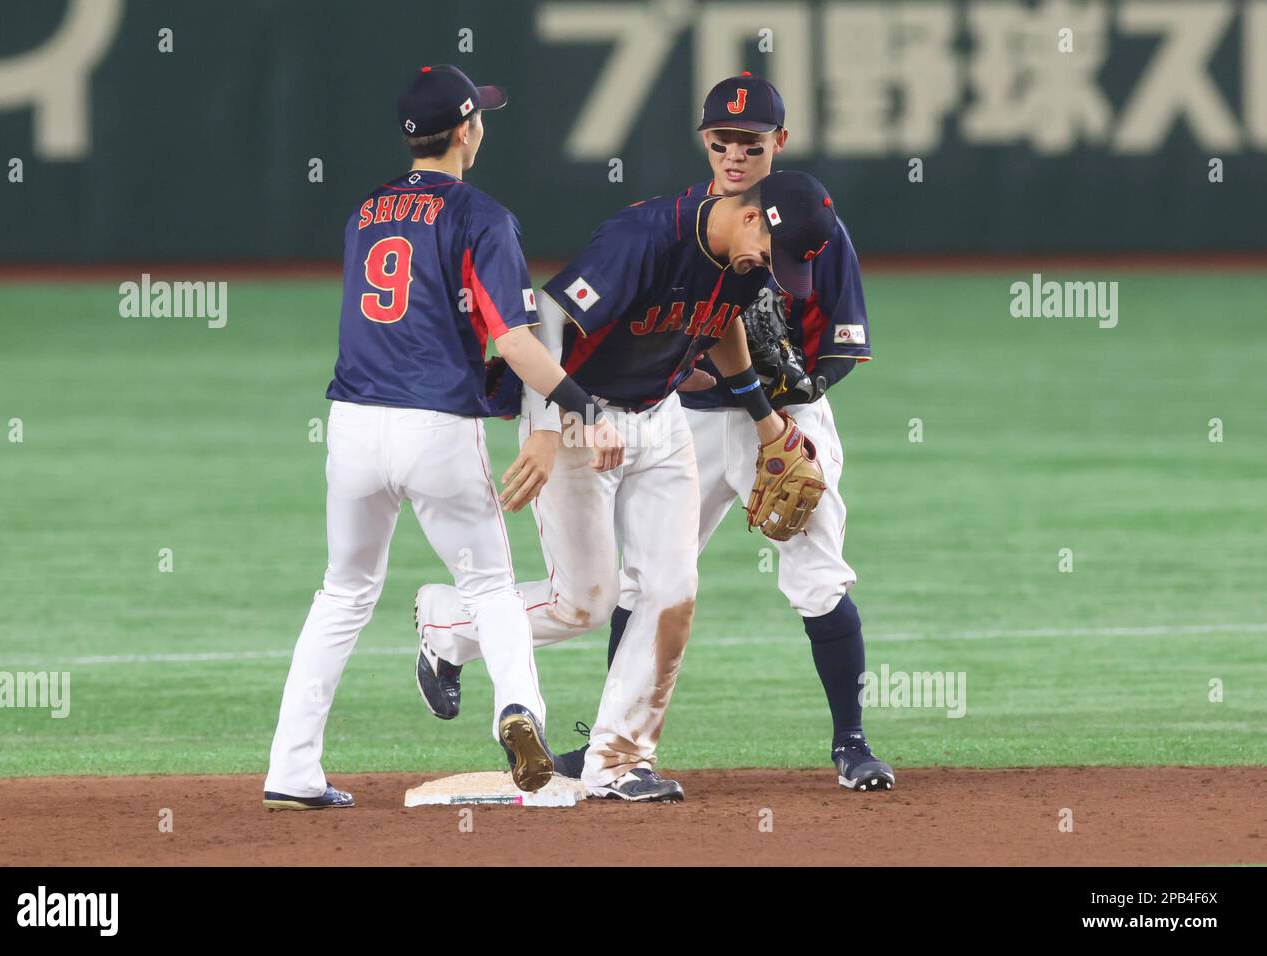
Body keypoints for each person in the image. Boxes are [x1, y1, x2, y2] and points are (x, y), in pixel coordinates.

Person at [415, 167, 841, 802]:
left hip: (662, 422)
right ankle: (448, 621)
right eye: (774, 257)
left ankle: (619, 759)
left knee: (672, 590)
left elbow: (721, 320)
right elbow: (547, 320)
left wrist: (765, 420)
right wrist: (551, 424)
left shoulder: (744, 257)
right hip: (581, 420)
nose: (771, 272)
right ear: (752, 217)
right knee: (583, 603)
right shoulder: (642, 237)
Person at [262, 64, 622, 811]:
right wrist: (584, 406)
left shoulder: (365, 213)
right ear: (465, 130)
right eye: (479, 115)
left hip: (354, 427)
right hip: (435, 432)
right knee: (490, 585)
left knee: (342, 592)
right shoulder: (481, 216)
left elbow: (411, 324)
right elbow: (519, 346)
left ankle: (291, 772)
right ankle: (519, 712)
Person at [559, 72, 895, 792]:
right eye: (722, 141)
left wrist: (795, 399)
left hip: (783, 424)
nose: (735, 154)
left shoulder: (813, 223)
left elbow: (840, 341)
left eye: (751, 141)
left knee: (818, 579)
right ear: (706, 143)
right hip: (684, 424)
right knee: (645, 584)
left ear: (780, 141)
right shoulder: (680, 224)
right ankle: (608, 746)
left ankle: (852, 743)